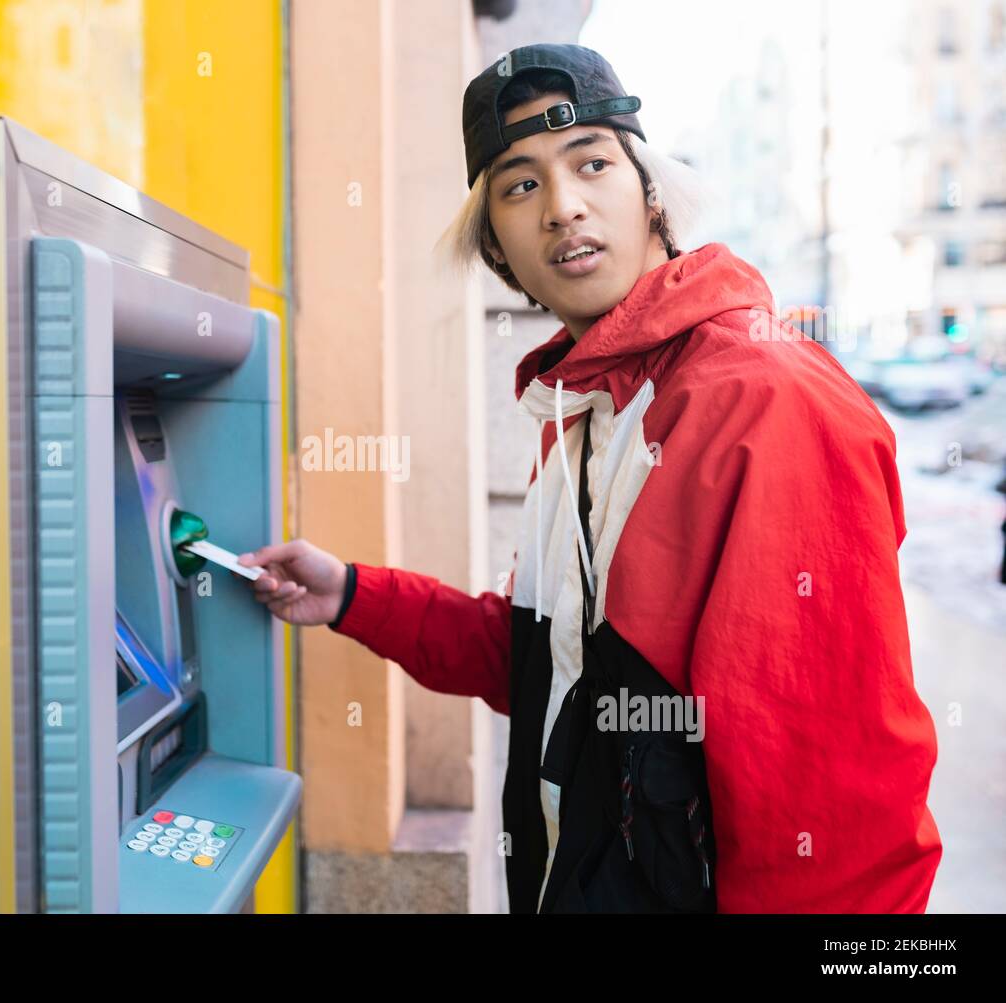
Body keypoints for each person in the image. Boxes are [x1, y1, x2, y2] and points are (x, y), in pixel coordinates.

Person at [238, 44, 942, 914]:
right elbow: (552, 667)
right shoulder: (584, 409)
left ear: (651, 192)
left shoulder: (765, 402)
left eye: (593, 164)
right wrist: (350, 593)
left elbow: (838, 800)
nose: (563, 207)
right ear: (495, 248)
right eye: (520, 184)